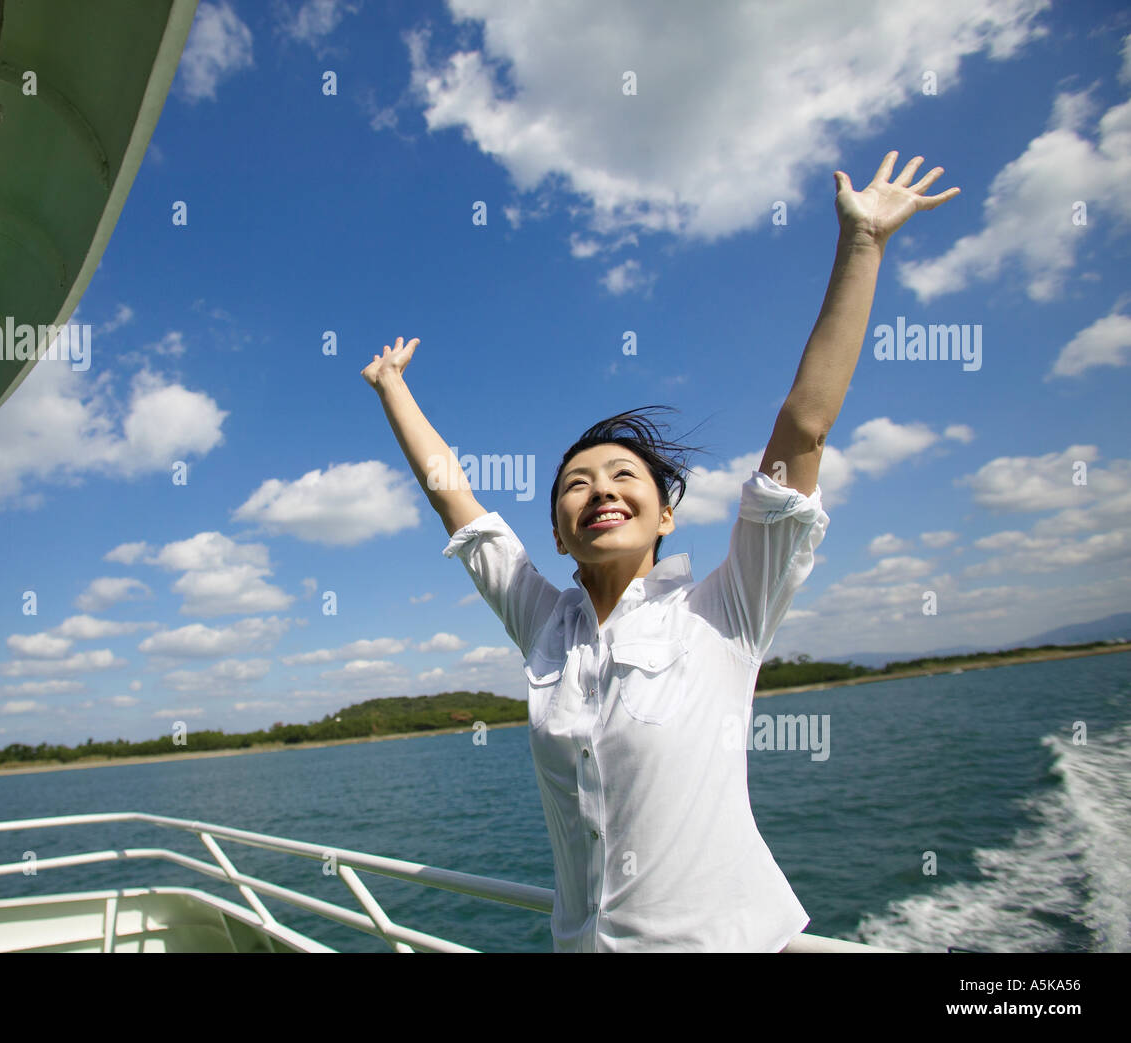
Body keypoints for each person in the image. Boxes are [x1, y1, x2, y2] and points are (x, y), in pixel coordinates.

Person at [362, 152, 959, 952]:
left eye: (622, 476)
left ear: (667, 517)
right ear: (558, 532)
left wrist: (863, 246)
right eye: (576, 484)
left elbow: (803, 430)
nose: (600, 490)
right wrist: (392, 386)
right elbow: (453, 498)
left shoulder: (725, 609)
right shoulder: (545, 623)